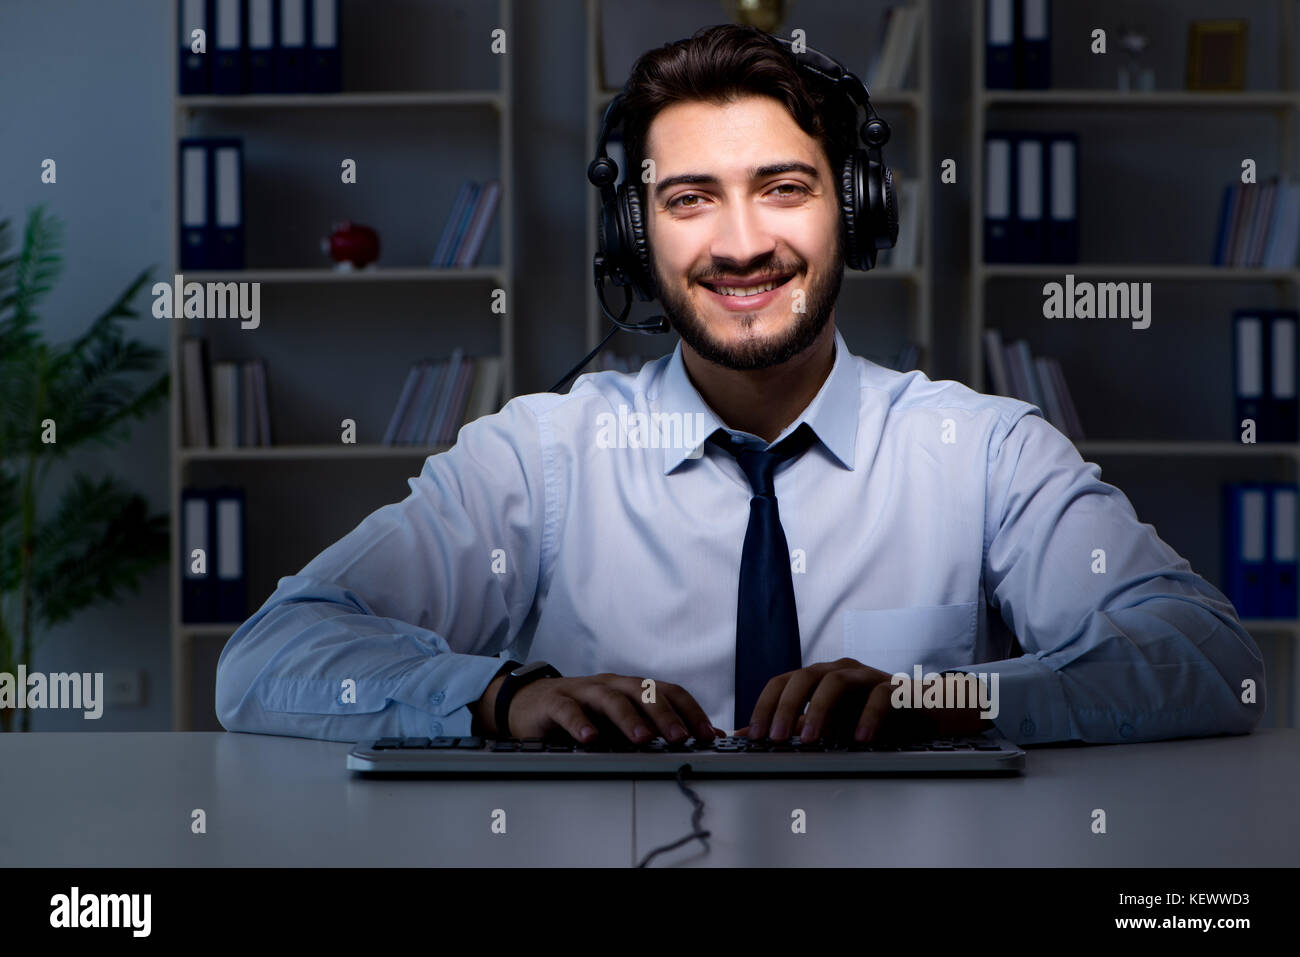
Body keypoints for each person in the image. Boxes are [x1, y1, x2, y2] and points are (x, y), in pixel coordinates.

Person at [216, 24, 1263, 747]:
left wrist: (943, 697)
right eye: (688, 200)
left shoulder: (986, 451)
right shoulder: (538, 456)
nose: (741, 244)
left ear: (851, 211)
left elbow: (1207, 657)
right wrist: (497, 696)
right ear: (636, 237)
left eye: (784, 188)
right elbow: (268, 658)